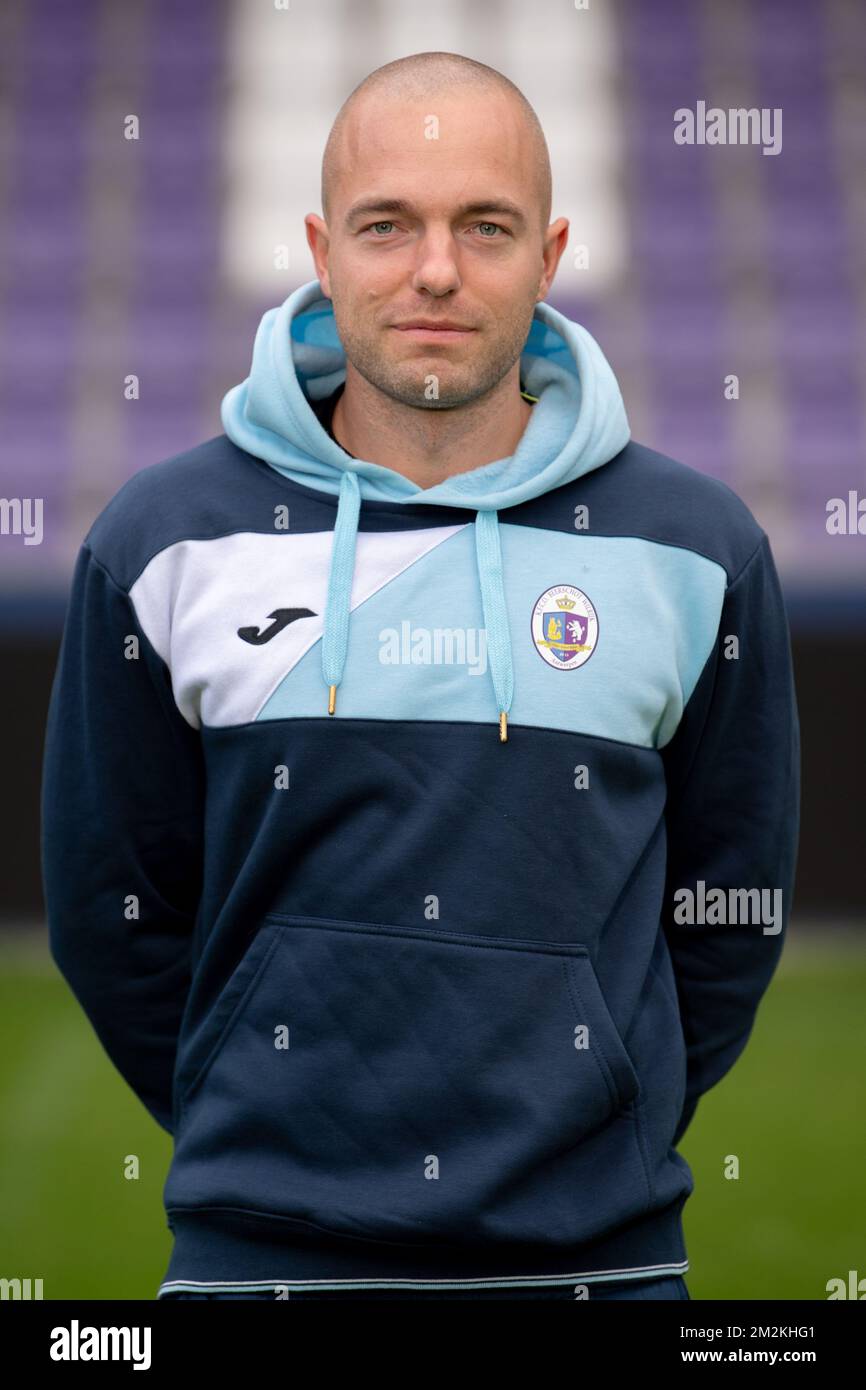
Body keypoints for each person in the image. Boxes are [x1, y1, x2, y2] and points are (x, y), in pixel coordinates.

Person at [40, 51, 800, 1301]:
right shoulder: (160, 541)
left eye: (483, 227)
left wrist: (613, 1101)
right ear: (320, 251)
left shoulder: (695, 548)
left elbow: (730, 905)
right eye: (386, 225)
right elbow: (109, 911)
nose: (434, 269)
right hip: (255, 1268)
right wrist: (253, 1110)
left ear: (549, 256)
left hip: (597, 1269)